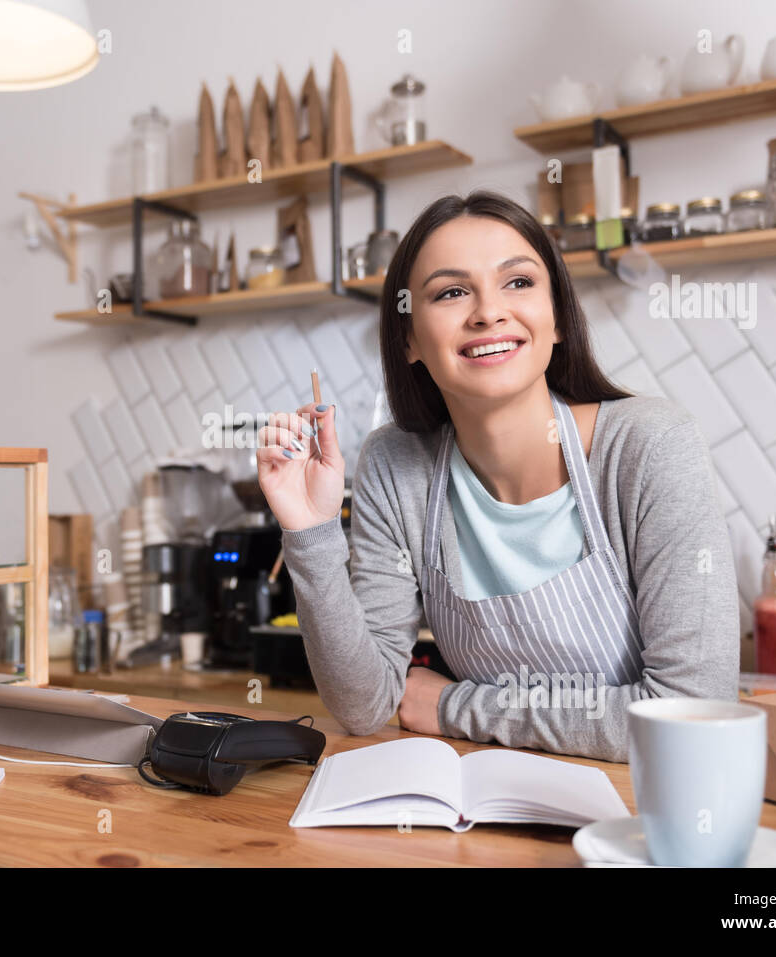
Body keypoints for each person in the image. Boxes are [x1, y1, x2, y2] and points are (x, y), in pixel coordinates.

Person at [256, 190, 738, 763]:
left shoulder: (649, 446)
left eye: (518, 282)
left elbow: (690, 716)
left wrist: (455, 707)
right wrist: (310, 533)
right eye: (452, 292)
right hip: (479, 819)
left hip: (637, 823)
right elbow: (365, 705)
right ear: (409, 339)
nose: (488, 312)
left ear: (557, 318)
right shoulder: (395, 464)